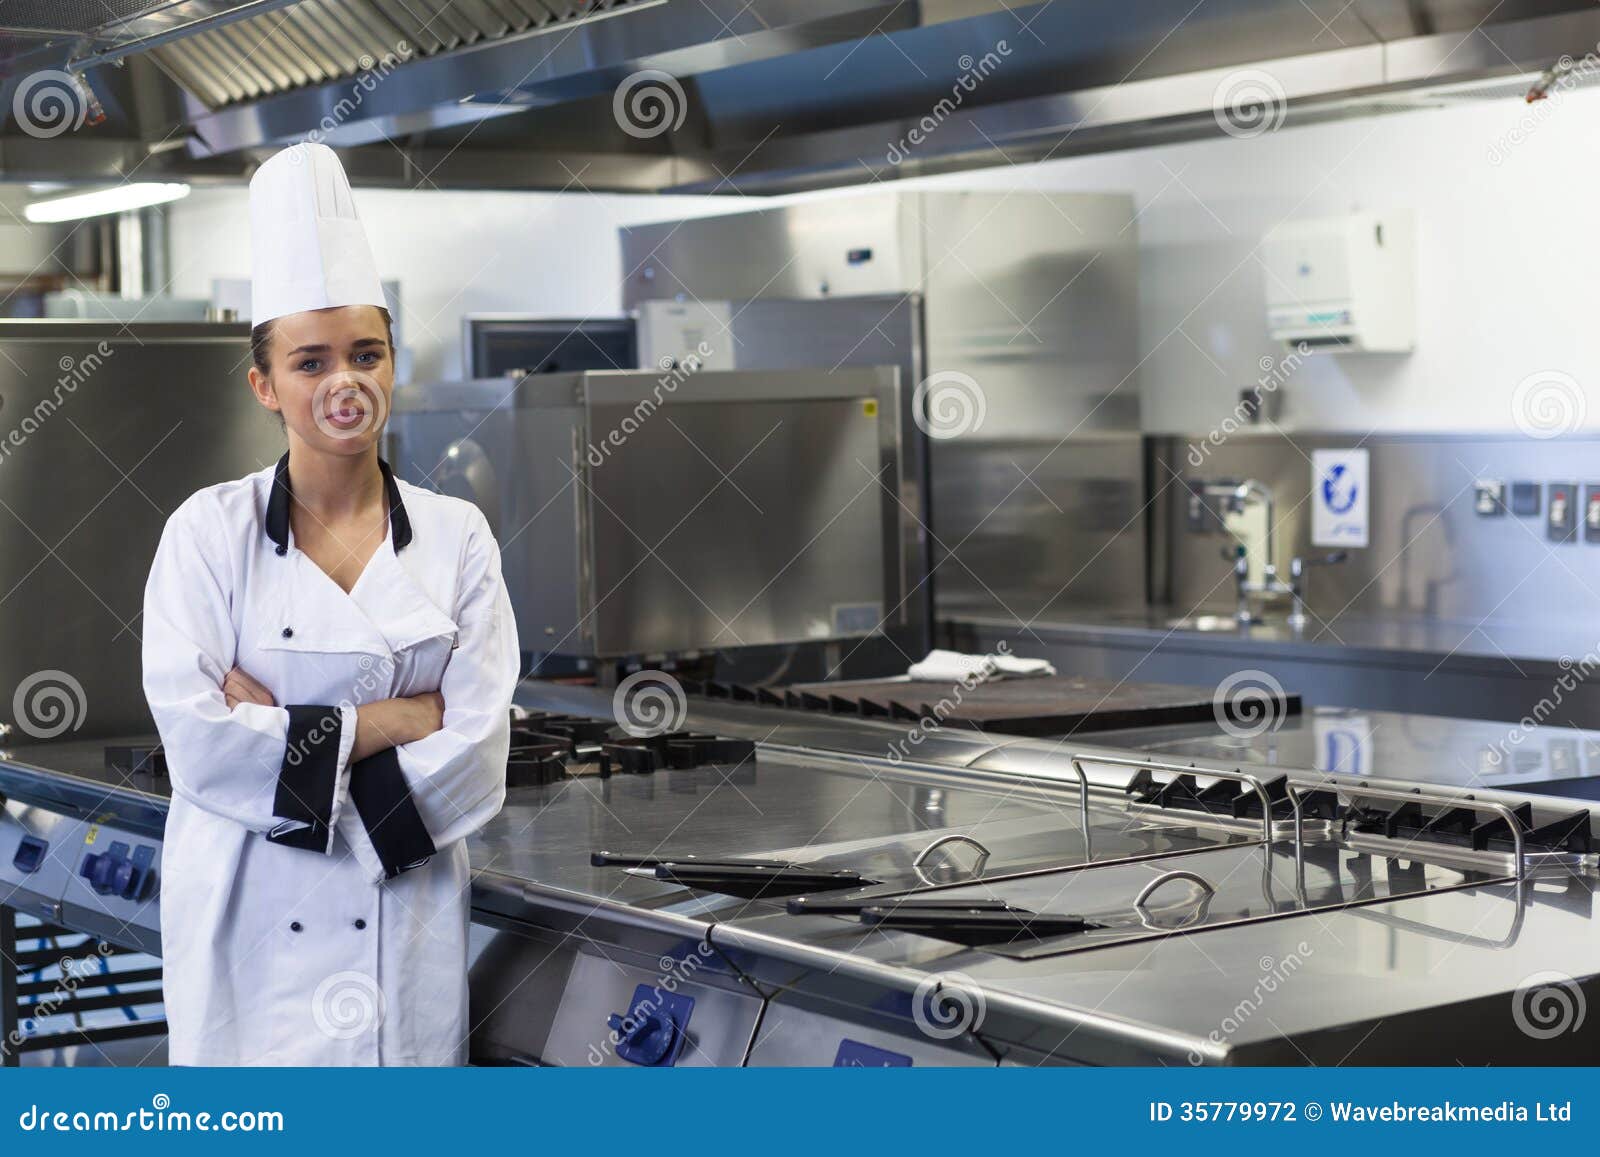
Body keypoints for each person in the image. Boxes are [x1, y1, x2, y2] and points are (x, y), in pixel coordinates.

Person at [141, 142, 519, 1066]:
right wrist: (391, 717)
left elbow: (476, 745)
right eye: (310, 362)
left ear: (393, 366)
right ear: (266, 385)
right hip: (250, 930)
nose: (342, 382)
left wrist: (293, 738)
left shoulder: (457, 535)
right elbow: (201, 741)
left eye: (366, 353)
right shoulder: (207, 533)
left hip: (403, 917)